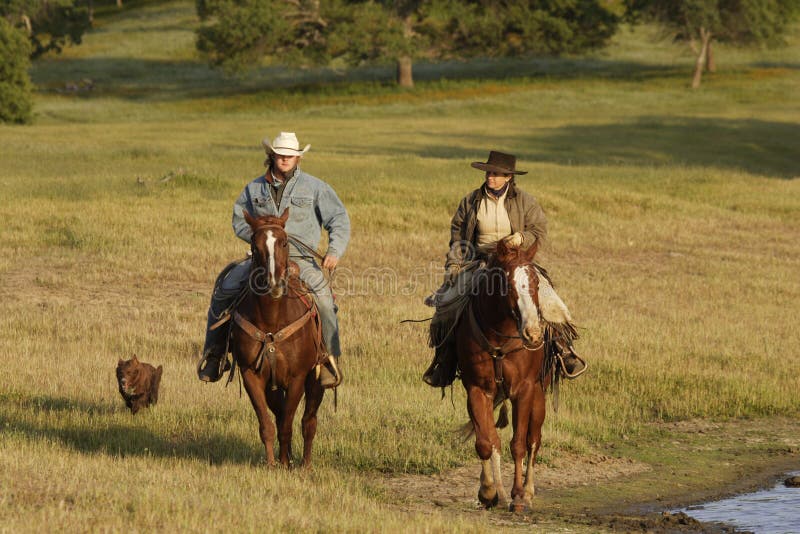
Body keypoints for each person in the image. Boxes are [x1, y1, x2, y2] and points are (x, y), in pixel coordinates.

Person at [197, 132, 350, 387]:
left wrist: (334, 251)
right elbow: (238, 219)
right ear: (273, 156)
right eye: (281, 155)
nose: (285, 159)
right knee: (225, 289)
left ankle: (327, 359)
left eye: (290, 155)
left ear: (298, 158)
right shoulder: (253, 188)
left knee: (323, 299)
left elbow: (339, 219)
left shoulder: (315, 187)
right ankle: (215, 354)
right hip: (261, 259)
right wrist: (259, 239)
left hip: (301, 260)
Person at [422, 150, 586, 388]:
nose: (492, 177)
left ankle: (564, 351)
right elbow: (458, 237)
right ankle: (444, 361)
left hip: (517, 261)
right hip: (480, 261)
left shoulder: (525, 201)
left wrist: (520, 238)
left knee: (550, 299)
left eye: (497, 174)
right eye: (489, 172)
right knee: (446, 304)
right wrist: (454, 265)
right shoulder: (471, 201)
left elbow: (539, 230)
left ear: (509, 177)